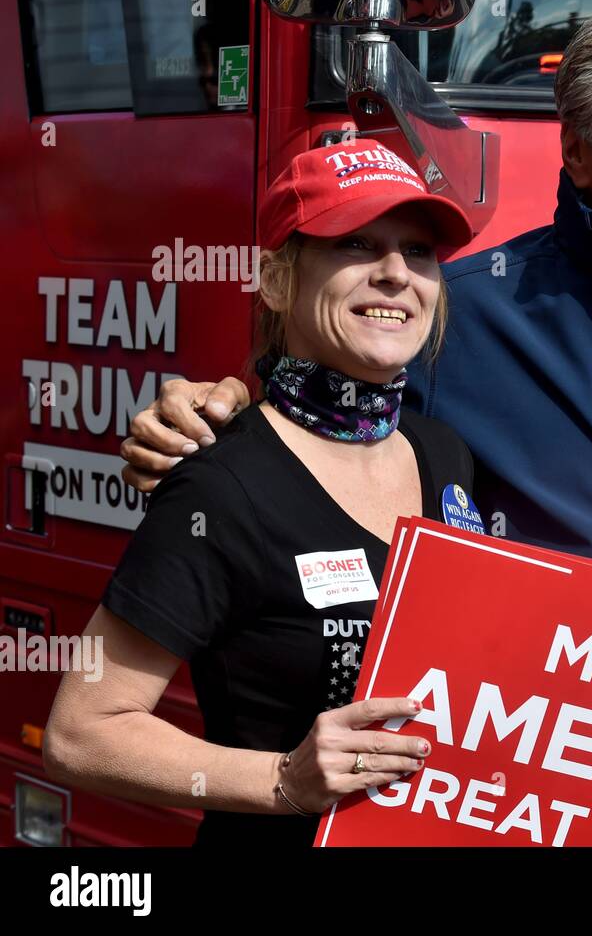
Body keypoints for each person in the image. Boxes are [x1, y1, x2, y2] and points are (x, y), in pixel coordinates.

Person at [117, 0, 592, 606]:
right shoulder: (464, 313)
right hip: (531, 790)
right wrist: (215, 413)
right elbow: (308, 435)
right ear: (579, 153)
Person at [43, 140, 478, 846]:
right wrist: (285, 780)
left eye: (419, 250)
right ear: (276, 283)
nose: (396, 273)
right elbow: (81, 735)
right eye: (356, 243)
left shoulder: (444, 453)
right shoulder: (220, 483)